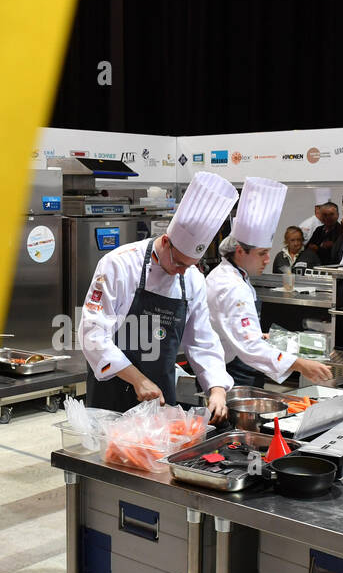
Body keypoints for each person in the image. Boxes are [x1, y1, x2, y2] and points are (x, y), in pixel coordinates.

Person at [78, 171, 236, 421]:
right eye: (180, 263)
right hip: (113, 389)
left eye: (191, 265)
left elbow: (202, 340)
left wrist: (216, 389)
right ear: (166, 241)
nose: (183, 271)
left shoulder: (191, 277)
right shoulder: (118, 265)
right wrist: (138, 380)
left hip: (161, 396)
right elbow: (92, 335)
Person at [208, 178, 334, 388]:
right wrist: (301, 365)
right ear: (240, 251)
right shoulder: (231, 286)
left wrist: (259, 336)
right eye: (262, 254)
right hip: (231, 371)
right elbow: (250, 346)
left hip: (235, 361)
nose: (267, 259)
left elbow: (238, 330)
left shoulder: (231, 274)